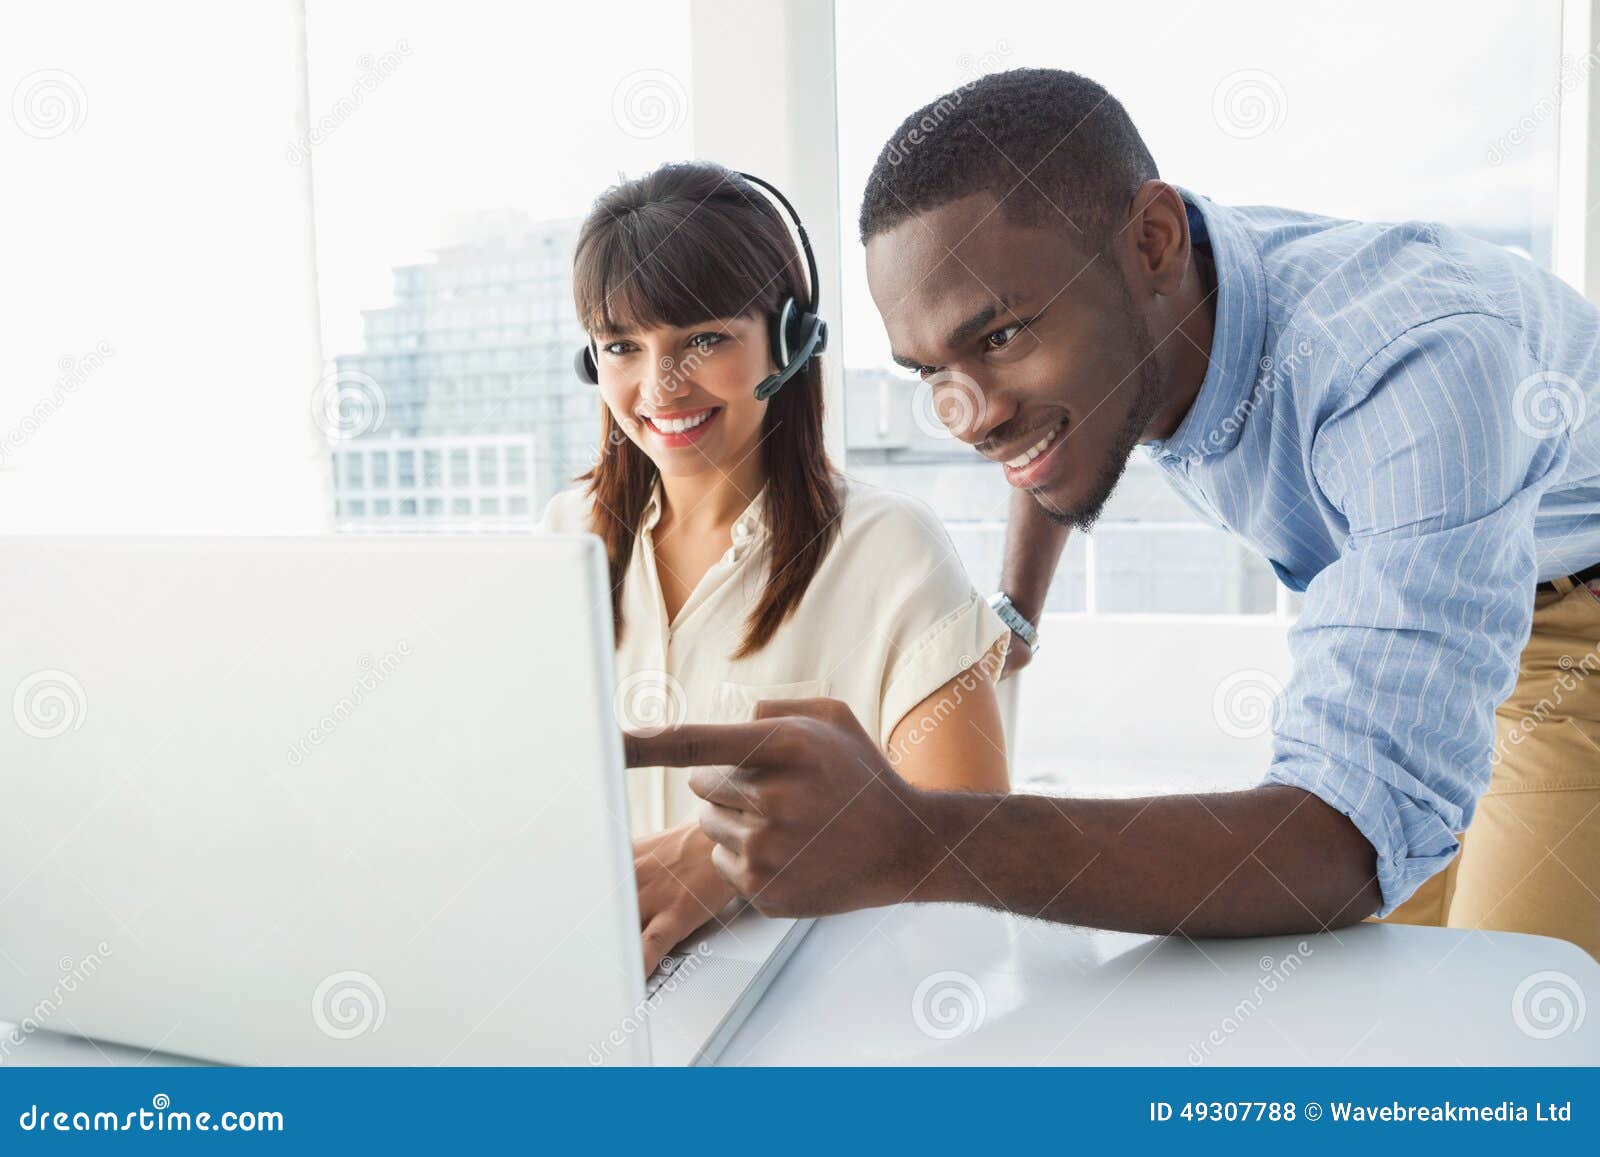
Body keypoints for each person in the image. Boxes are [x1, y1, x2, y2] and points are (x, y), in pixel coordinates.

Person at [626, 69, 1600, 962]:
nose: (968, 418)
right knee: (1359, 985)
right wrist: (1018, 611)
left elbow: (1340, 841)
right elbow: (1033, 432)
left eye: (1000, 335)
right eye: (932, 374)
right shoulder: (1139, 298)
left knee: (1511, 1011)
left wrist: (918, 839)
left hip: (1573, 624)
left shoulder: (1412, 370)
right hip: (1416, 585)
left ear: (1152, 242)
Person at [542, 161, 1011, 973]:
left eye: (704, 339)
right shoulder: (564, 537)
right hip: (606, 993)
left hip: (819, 1023)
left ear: (790, 341)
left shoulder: (893, 553)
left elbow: (974, 877)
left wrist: (728, 857)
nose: (661, 385)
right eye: (622, 346)